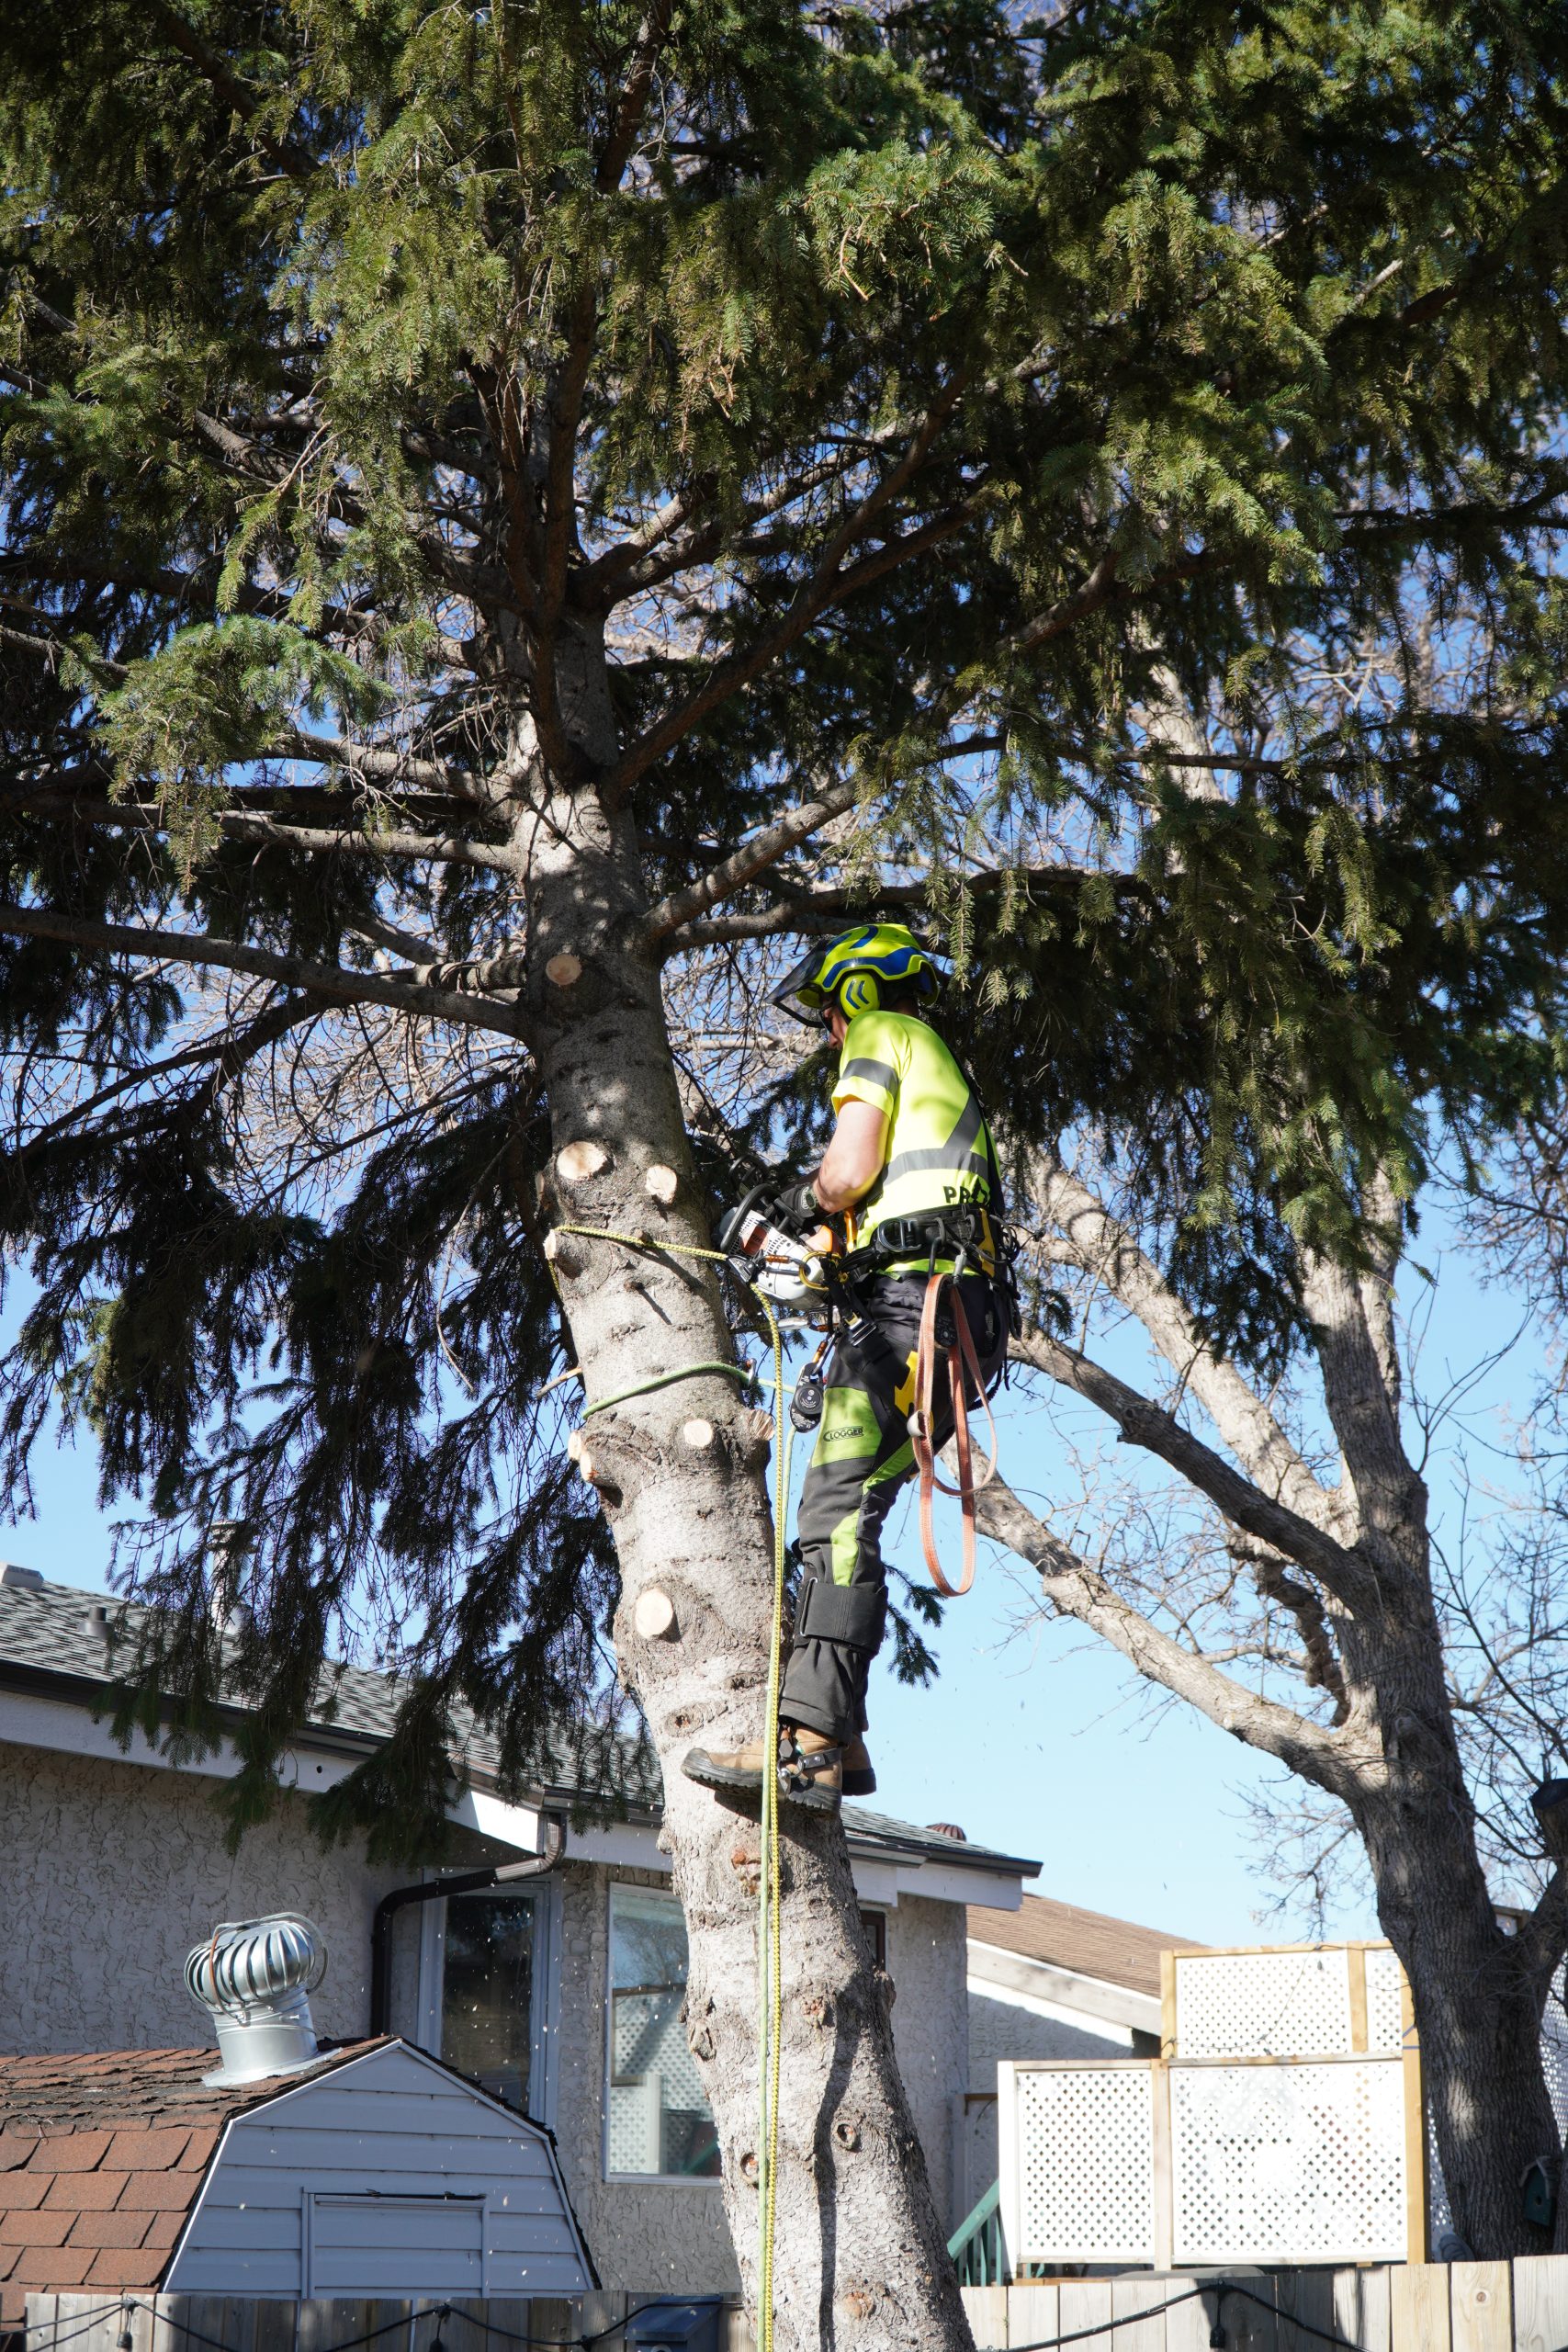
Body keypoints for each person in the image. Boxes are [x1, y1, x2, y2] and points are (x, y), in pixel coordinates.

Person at [683, 923, 1008, 1813]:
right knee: (851, 1505)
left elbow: (850, 1167)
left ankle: (811, 1746)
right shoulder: (936, 1066)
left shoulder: (880, 1036)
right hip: (948, 1318)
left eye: (830, 1013)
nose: (830, 1032)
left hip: (919, 1310)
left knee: (831, 1508)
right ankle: (843, 1734)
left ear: (857, 994)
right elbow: (887, 1198)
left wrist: (808, 1195)